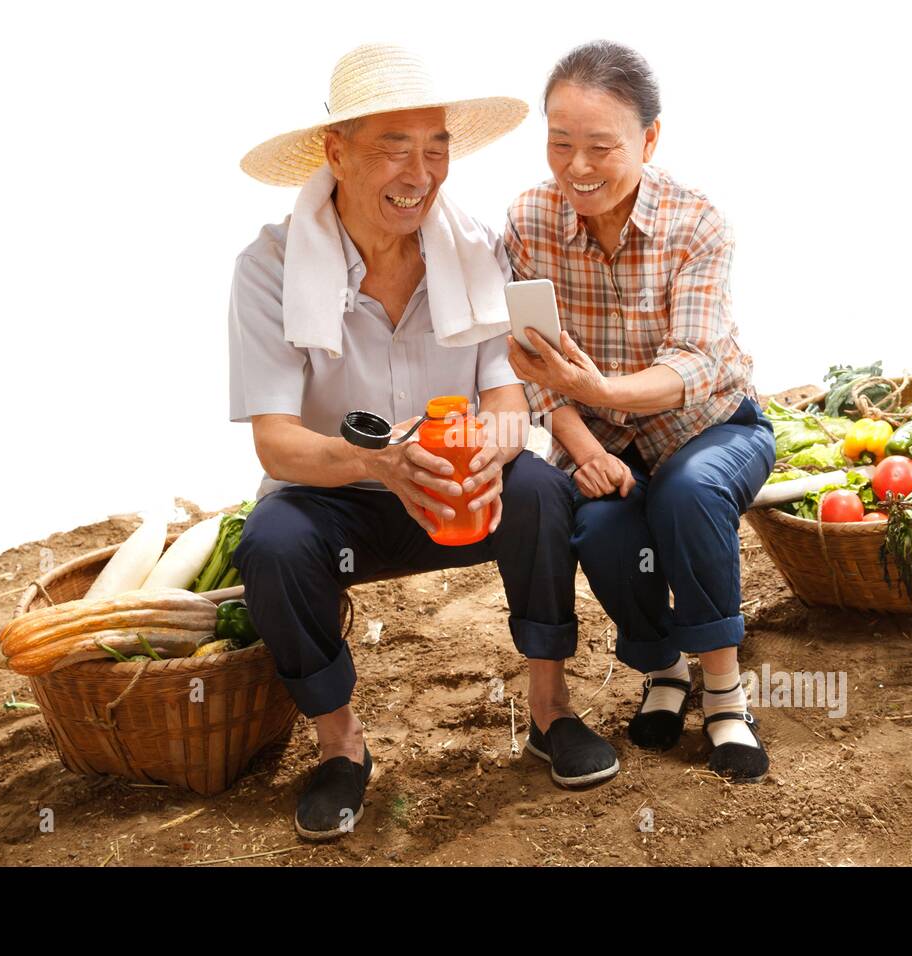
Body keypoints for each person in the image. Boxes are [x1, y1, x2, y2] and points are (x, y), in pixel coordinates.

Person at [227, 44, 619, 841]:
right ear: (335, 152)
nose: (421, 170)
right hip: (339, 498)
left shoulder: (474, 249)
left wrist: (488, 450)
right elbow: (276, 445)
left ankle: (549, 712)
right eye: (393, 147)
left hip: (456, 490)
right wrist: (379, 462)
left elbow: (508, 399)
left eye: (435, 146)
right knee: (269, 542)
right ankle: (342, 749)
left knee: (541, 491)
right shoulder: (268, 268)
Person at [505, 40, 777, 783]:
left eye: (601, 146)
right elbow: (533, 368)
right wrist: (580, 443)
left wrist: (604, 394)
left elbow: (694, 362)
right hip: (604, 441)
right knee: (599, 523)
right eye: (561, 144)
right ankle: (664, 671)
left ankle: (723, 690)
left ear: (649, 140)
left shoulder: (696, 223)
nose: (578, 168)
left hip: (714, 427)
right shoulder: (530, 219)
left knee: (687, 492)